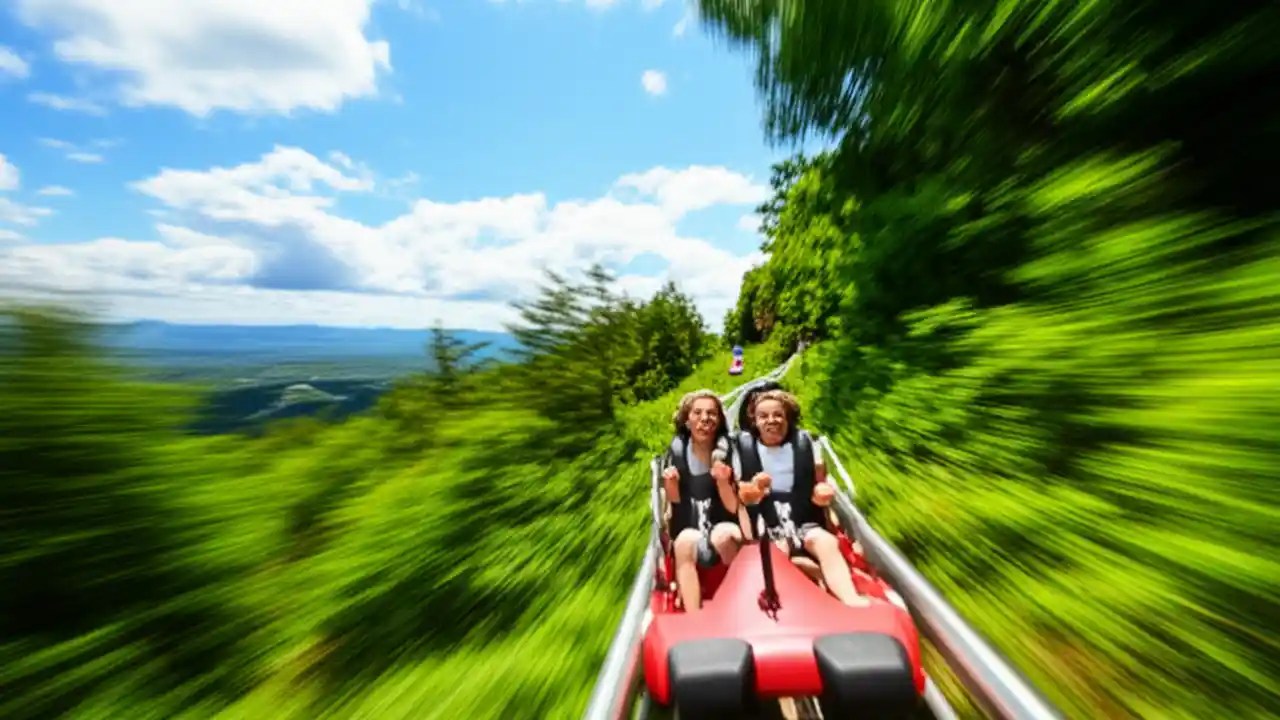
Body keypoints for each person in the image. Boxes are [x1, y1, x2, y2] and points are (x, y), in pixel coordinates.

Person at [734, 389, 869, 607]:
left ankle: (849, 598)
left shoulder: (804, 444)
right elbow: (741, 494)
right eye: (764, 416)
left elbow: (818, 486)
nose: (772, 421)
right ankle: (799, 586)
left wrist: (821, 494)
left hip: (803, 518)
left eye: (778, 415)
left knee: (826, 542)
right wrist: (756, 488)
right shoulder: (744, 449)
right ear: (755, 422)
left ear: (787, 417)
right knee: (778, 551)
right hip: (768, 524)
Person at [661, 389, 745, 612]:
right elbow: (675, 502)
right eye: (697, 413)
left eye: (711, 413)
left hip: (724, 521)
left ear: (719, 420)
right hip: (691, 525)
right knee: (684, 543)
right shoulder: (677, 451)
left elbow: (733, 507)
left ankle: (739, 606)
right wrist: (671, 484)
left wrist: (723, 482)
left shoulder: (729, 450)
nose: (704, 419)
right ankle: (694, 615)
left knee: (724, 537)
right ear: (687, 420)